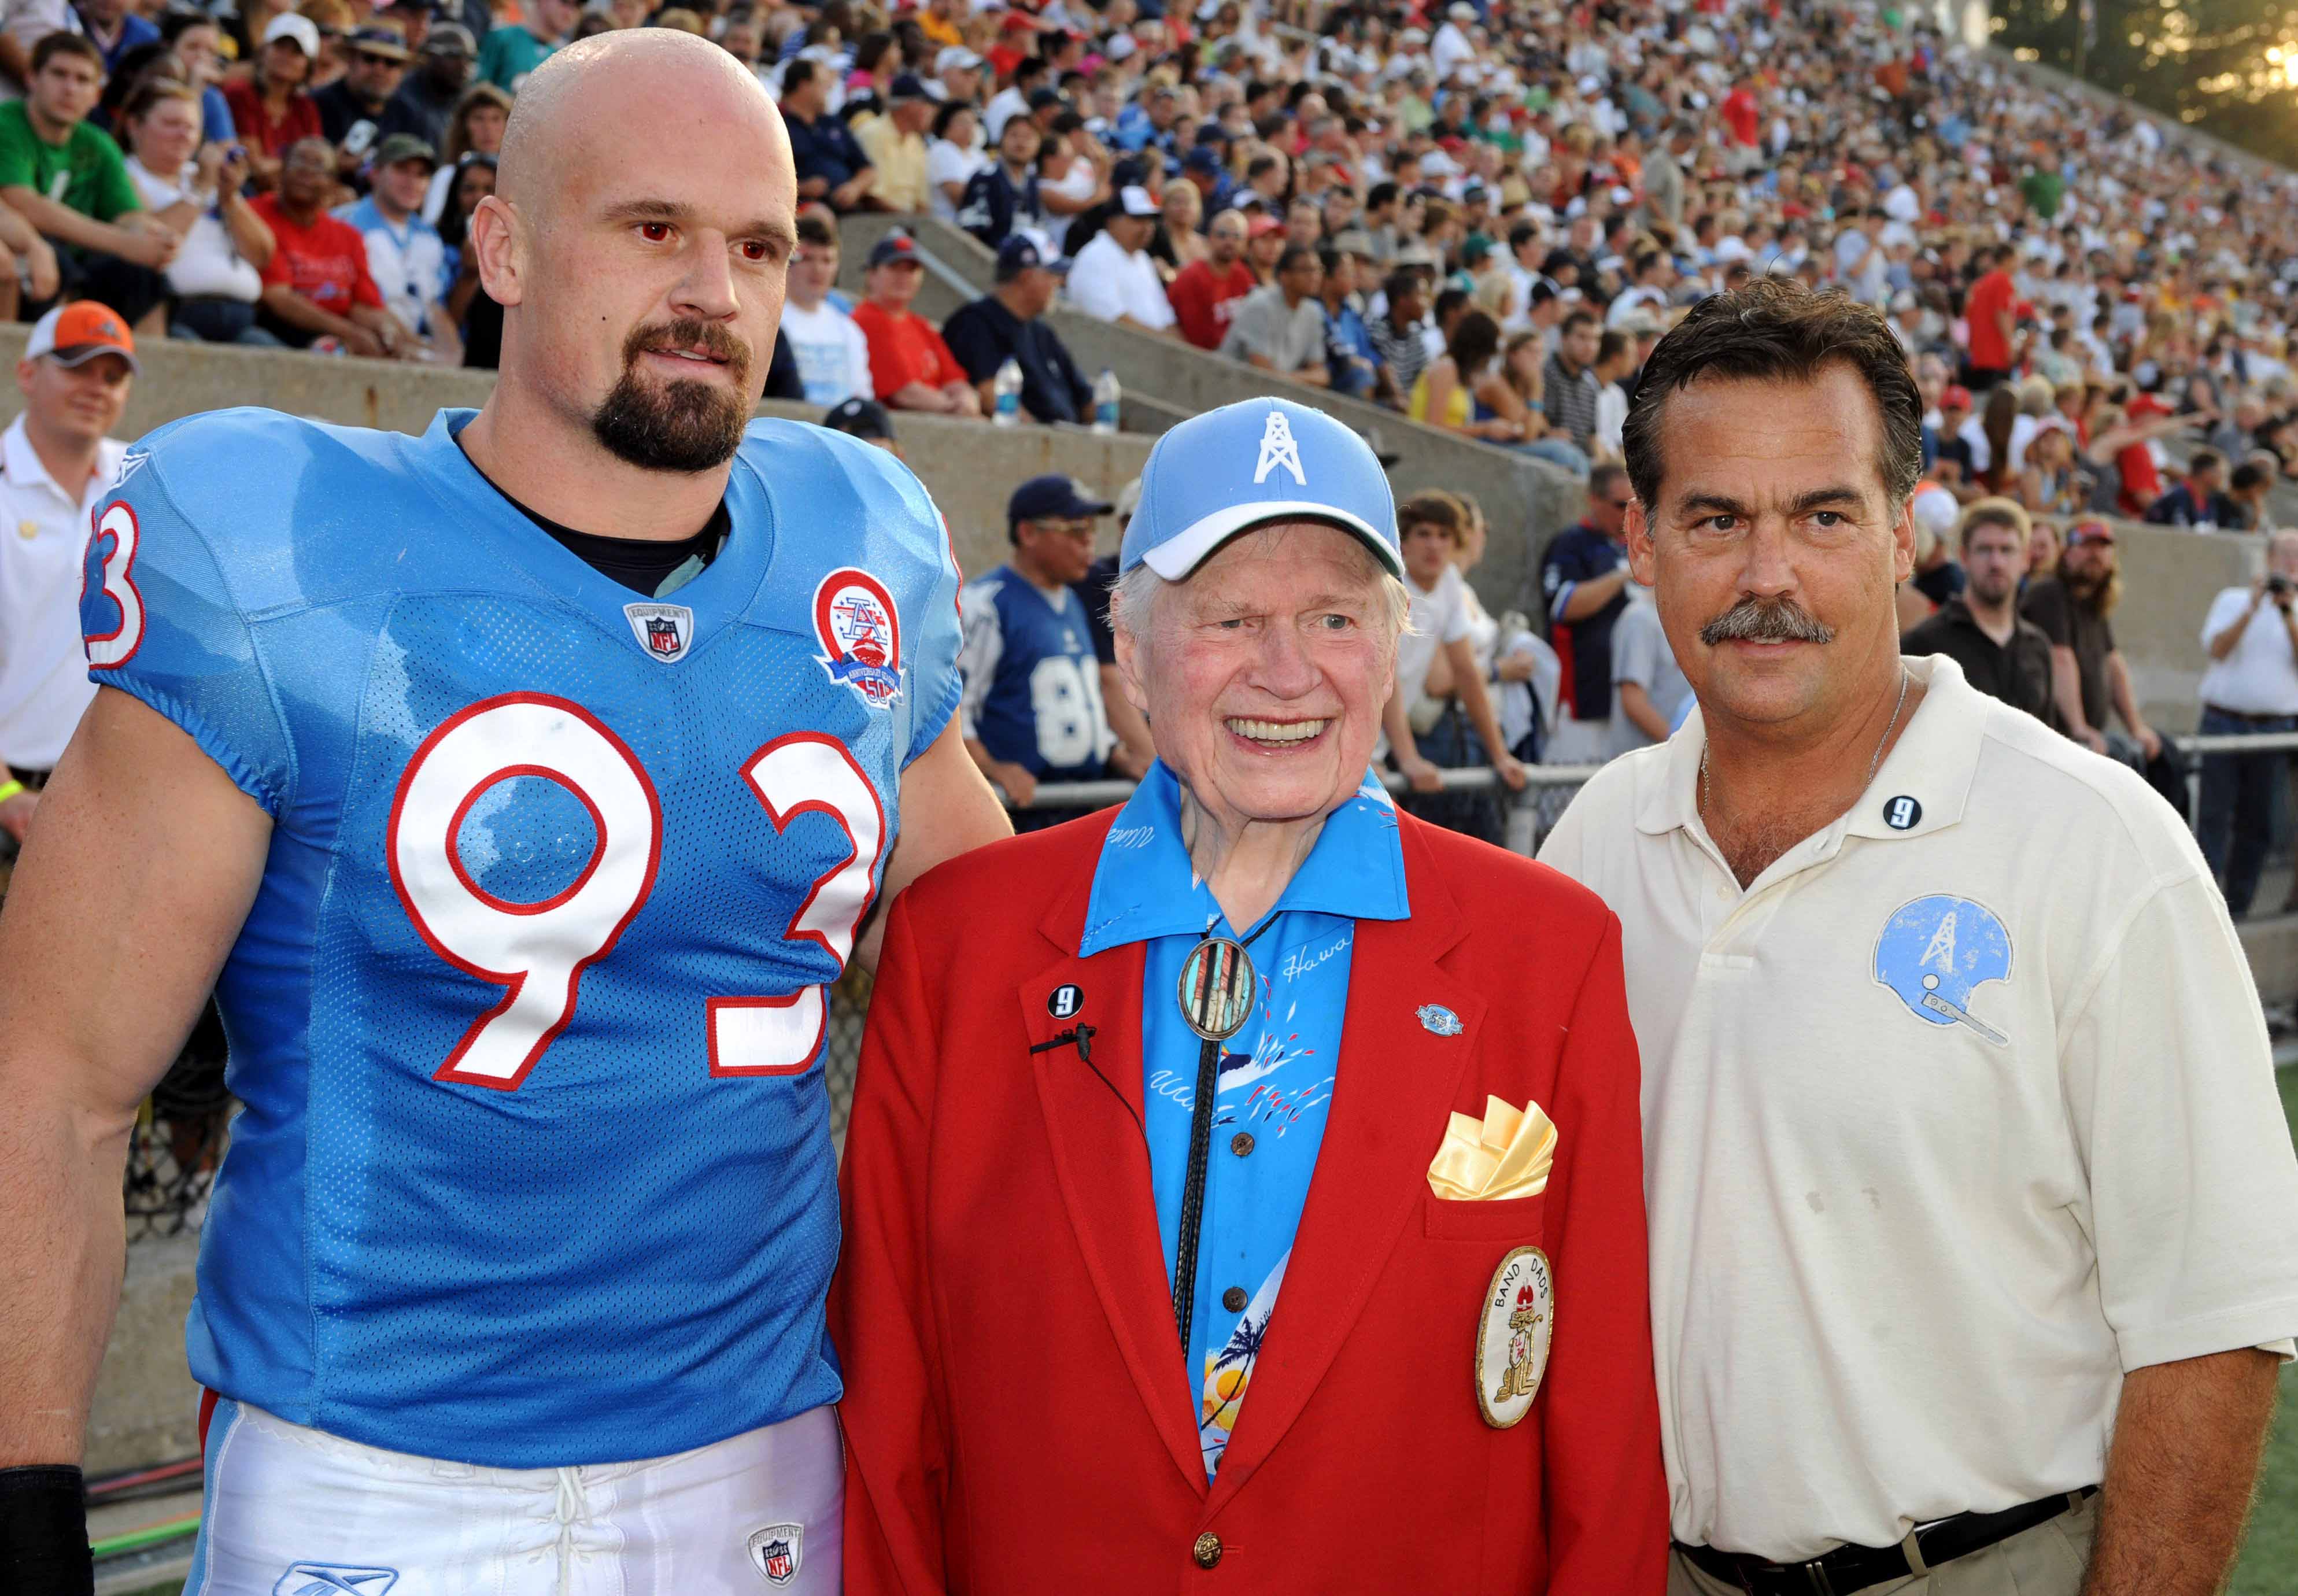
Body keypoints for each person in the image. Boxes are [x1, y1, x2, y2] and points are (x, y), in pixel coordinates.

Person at [0, 29, 1011, 1590]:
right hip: (377, 1476)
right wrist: (24, 1496)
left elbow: (1001, 975)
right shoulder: (285, 542)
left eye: (758, 245)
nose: (715, 293)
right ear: (503, 245)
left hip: (761, 1456)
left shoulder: (856, 528)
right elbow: (55, 1083)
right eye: (652, 229)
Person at [833, 395, 1668, 1594]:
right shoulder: (959, 946)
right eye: (1227, 618)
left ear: (1389, 648)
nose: (1287, 674)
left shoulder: (1548, 952)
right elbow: (890, 1394)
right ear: (1130, 646)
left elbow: (1600, 1417)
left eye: (1334, 617)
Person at [1540, 278, 2298, 1596]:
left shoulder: (2089, 844)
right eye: (1713, 517)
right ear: (1644, 538)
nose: (1764, 575)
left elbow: (2212, 1321)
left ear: (1901, 534)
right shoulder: (1594, 847)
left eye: (1819, 516)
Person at [0, 301, 131, 843]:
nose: (97, 387)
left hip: (107, 798)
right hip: (14, 796)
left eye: (114, 375)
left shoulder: (143, 481)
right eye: (77, 366)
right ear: (27, 373)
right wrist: (7, 795)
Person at [956, 474, 1117, 827]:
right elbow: (953, 707)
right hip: (1021, 811)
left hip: (1077, 805)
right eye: (1075, 528)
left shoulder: (1074, 601)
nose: (1089, 540)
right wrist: (992, 768)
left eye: (1091, 527)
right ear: (1028, 533)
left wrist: (1116, 752)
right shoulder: (986, 605)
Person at [0, 31, 172, 326]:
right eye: (59, 74)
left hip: (74, 258)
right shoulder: (8, 124)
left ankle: (148, 367)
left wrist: (149, 233)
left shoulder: (98, 143)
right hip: (23, 248)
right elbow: (22, 203)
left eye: (83, 80)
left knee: (144, 276)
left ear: (96, 95)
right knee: (55, 260)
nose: (70, 88)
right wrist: (120, 242)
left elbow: (127, 214)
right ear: (31, 78)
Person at [119, 76, 275, 345]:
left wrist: (230, 199)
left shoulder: (206, 176)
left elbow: (262, 254)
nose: (184, 135)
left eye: (191, 128)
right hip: (173, 316)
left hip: (242, 319)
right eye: (171, 124)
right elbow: (150, 242)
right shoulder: (125, 173)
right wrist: (201, 190)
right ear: (134, 126)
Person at [2193, 531, 2298, 918]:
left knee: (2258, 826)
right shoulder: (2233, 599)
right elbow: (2217, 650)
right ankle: (2201, 906)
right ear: (2269, 558)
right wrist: (2253, 608)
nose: (2291, 564)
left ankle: (2237, 909)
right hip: (2223, 722)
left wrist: (2287, 613)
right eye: (2285, 555)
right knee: (2213, 818)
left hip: (2274, 731)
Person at [1901, 497, 2059, 727]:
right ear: (1964, 557)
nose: (1996, 562)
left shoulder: (2038, 647)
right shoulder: (1924, 646)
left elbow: (2048, 743)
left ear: (2025, 559)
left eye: (2007, 550)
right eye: (1985, 550)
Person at [250, 135, 409, 354]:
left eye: (319, 167)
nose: (307, 171)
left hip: (335, 335)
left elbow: (365, 306)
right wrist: (349, 332)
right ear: (282, 170)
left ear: (333, 185)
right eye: (299, 162)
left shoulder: (349, 236)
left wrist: (394, 336)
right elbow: (277, 298)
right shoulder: (255, 214)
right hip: (276, 329)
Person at [2022, 519, 2159, 766]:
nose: (2094, 554)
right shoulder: (2050, 593)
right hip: (2055, 741)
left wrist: (2136, 727)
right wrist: (2079, 727)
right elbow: (2060, 658)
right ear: (2067, 553)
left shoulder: (2093, 602)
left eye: (2102, 547)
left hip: (2084, 739)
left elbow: (2113, 663)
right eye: (2086, 545)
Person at [1537, 463, 1635, 764]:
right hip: (1580, 702)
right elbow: (1563, 606)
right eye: (1621, 505)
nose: (1629, 514)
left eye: (1636, 505)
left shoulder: (1637, 544)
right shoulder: (1571, 543)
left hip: (1626, 701)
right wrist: (1622, 577)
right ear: (1594, 500)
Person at [941, 231, 1092, 426]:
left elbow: (1086, 398)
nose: (1059, 283)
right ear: (1027, 276)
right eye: (1053, 275)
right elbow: (991, 397)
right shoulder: (974, 323)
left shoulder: (1042, 332)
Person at [337, 132, 458, 361]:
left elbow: (435, 307)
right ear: (374, 173)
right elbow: (349, 303)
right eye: (402, 170)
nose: (413, 182)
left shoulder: (430, 237)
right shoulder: (344, 222)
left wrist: (449, 355)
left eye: (422, 174)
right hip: (362, 349)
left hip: (416, 352)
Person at [849, 229, 980, 418]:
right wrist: (955, 407)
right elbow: (905, 394)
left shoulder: (922, 325)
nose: (903, 276)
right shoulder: (866, 320)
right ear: (872, 274)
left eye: (911, 269)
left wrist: (967, 399)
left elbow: (955, 380)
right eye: (894, 267)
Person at [779, 212, 870, 408]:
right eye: (808, 259)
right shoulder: (771, 322)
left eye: (827, 261)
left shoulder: (848, 329)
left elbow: (862, 396)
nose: (818, 270)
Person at [223, 12, 323, 190]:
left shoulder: (306, 107)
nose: (286, 56)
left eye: (297, 52)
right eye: (280, 47)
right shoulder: (240, 94)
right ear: (263, 51)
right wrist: (293, 167)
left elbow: (317, 163)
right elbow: (256, 167)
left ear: (308, 65)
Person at [312, 20, 424, 170]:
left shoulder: (409, 116)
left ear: (402, 72)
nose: (380, 69)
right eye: (370, 58)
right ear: (351, 61)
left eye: (391, 62)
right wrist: (332, 166)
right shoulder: (318, 105)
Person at [1065, 183, 1174, 335]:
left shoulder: (1142, 257)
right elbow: (1114, 321)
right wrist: (1167, 345)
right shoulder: (1095, 257)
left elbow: (1166, 318)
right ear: (1112, 221)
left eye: (1150, 220)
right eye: (1138, 219)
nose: (1147, 227)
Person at [1219, 241, 1327, 385]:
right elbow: (1263, 373)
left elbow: (1321, 375)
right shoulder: (1260, 304)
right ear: (1284, 276)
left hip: (1274, 392)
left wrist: (1287, 377)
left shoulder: (1314, 312)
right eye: (1306, 270)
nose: (1315, 276)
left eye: (1318, 269)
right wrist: (1300, 378)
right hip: (1228, 384)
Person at [1608, 573, 1691, 757]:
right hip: (1646, 765)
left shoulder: (1685, 616)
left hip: (1673, 760)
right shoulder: (1640, 619)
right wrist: (1684, 750)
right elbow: (1634, 702)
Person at [781, 58, 873, 213]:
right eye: (823, 83)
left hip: (851, 208)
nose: (830, 88)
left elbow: (868, 169)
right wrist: (802, 188)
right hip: (802, 210)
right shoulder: (779, 126)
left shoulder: (833, 123)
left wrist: (854, 188)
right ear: (804, 86)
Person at [1167, 206, 1251, 351]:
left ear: (1245, 243)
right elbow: (1197, 340)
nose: (1230, 242)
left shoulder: (1243, 275)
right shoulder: (1192, 277)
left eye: (1237, 236)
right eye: (1222, 235)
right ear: (1209, 238)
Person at [955, 110, 1043, 249]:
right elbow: (971, 232)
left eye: (1028, 137)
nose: (1021, 142)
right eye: (1014, 135)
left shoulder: (1032, 181)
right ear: (1002, 139)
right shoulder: (985, 178)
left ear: (1038, 144)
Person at [852, 72, 929, 215]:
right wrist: (909, 221)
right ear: (909, 106)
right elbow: (871, 198)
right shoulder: (873, 133)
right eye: (924, 104)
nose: (928, 111)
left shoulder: (916, 142)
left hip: (910, 224)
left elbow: (922, 203)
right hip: (878, 222)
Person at [390, 21, 473, 150]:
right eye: (453, 56)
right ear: (428, 56)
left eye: (469, 58)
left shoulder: (463, 99)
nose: (463, 66)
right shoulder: (402, 100)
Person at [1542, 308, 1603, 457]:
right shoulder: (1545, 374)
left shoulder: (1590, 385)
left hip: (1582, 462)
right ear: (1564, 338)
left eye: (1595, 339)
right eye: (1582, 337)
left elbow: (1591, 436)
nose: (1590, 346)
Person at [474, 0, 572, 91]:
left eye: (578, 5)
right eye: (565, 2)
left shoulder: (569, 56)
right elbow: (478, 91)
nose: (570, 12)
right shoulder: (502, 37)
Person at [2142, 448, 2239, 530]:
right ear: (2206, 473)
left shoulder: (2211, 501)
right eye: (2221, 473)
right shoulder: (2176, 498)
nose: (2223, 479)